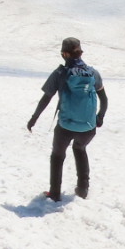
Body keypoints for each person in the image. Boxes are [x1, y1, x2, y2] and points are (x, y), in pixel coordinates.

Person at [27, 37, 107, 201]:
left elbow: (46, 98)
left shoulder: (60, 73)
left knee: (57, 155)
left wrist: (33, 118)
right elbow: (104, 99)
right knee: (80, 149)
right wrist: (99, 118)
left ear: (65, 54)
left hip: (65, 126)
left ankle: (55, 193)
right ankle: (83, 189)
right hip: (88, 127)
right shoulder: (93, 73)